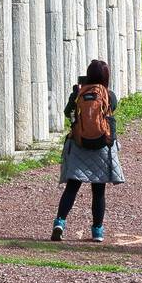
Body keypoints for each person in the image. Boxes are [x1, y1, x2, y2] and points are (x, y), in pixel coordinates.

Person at [51, 58, 125, 243]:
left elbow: (68, 113)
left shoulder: (80, 93)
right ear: (106, 77)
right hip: (101, 145)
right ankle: (97, 231)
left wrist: (74, 95)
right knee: (98, 191)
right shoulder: (109, 94)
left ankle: (60, 223)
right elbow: (111, 111)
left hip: (79, 143)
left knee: (72, 187)